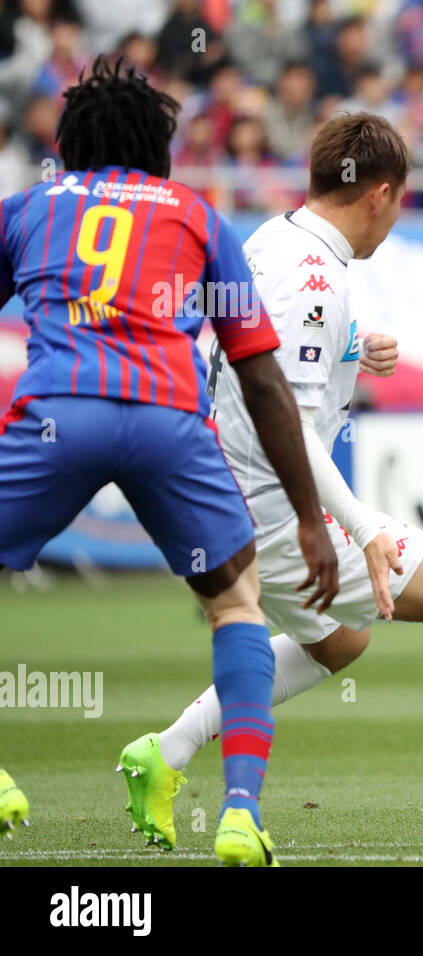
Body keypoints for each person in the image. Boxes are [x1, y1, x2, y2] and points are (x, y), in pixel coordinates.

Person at [118, 113, 423, 853]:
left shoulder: (270, 239)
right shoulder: (315, 277)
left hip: (220, 493)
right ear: (380, 194)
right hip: (274, 506)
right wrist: (363, 525)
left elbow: (247, 346)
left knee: (342, 641)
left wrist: (354, 345)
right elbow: (282, 412)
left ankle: (163, 754)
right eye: (401, 201)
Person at [0, 56, 338, 866]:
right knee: (234, 606)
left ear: (70, 144)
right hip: (167, 421)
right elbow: (261, 373)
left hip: (59, 414)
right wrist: (304, 514)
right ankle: (240, 813)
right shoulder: (192, 215)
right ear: (159, 147)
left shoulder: (29, 207)